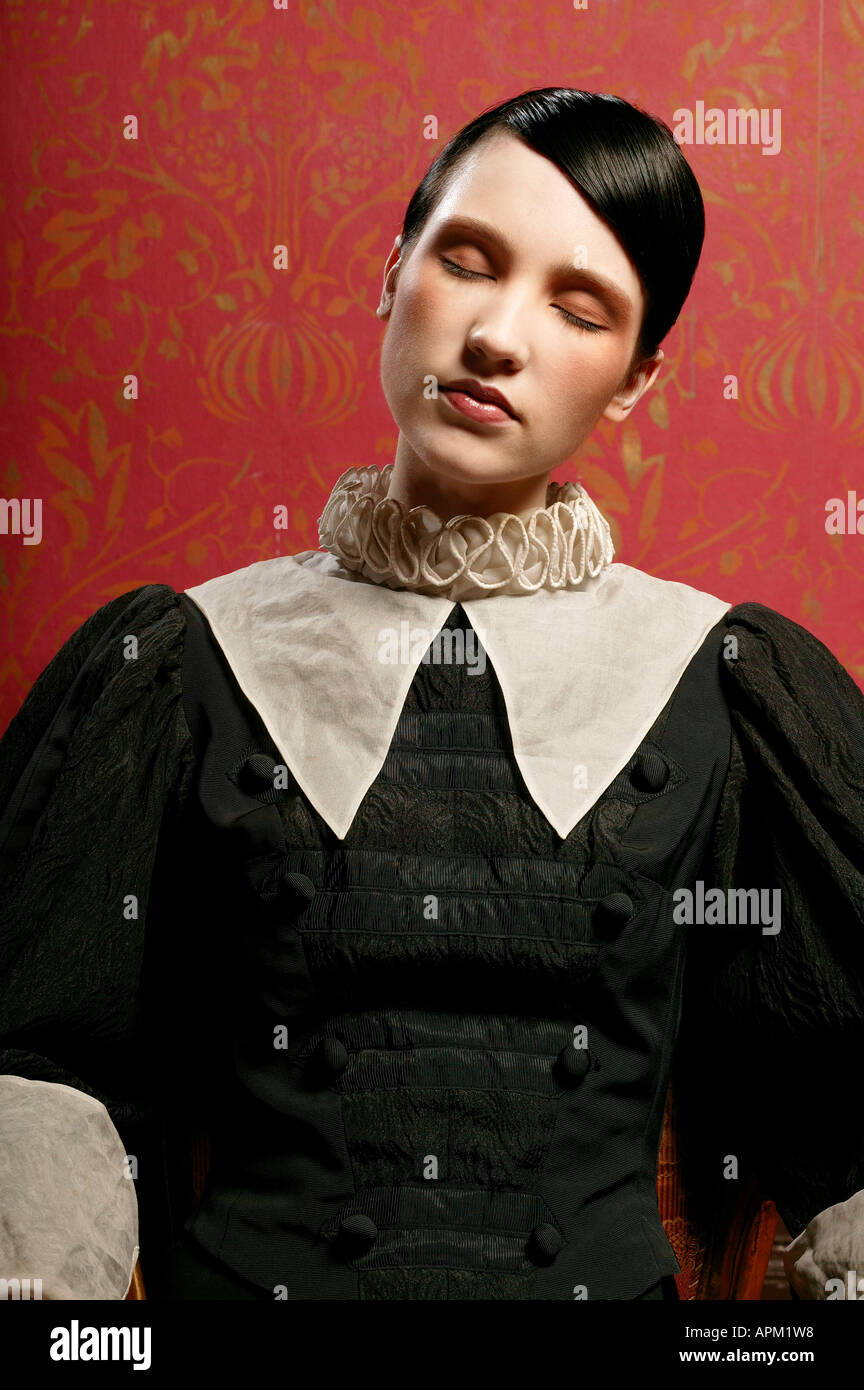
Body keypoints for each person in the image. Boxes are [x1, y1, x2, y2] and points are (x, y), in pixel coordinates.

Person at [2, 87, 863, 1302]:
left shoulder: (723, 681)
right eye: (466, 260)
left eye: (578, 308)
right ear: (392, 271)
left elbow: (838, 1100)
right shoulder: (178, 657)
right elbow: (37, 1067)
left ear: (635, 379)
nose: (500, 336)